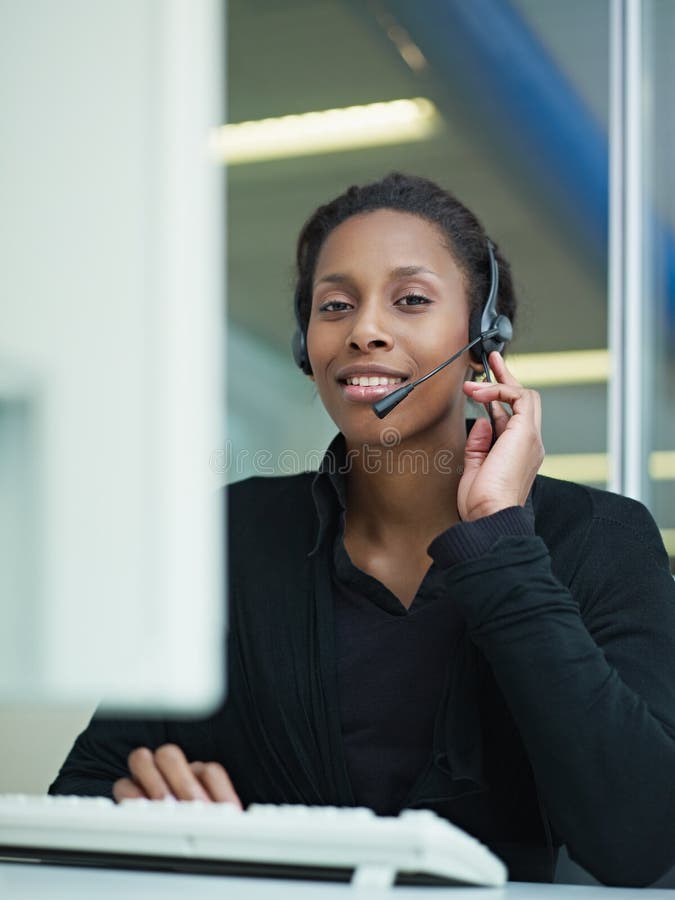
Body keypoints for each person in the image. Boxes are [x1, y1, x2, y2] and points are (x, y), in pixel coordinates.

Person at [50, 173, 675, 886]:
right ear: (303, 343)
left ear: (481, 338)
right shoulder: (226, 534)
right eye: (334, 306)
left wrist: (500, 535)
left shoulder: (602, 538)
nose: (363, 330)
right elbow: (85, 787)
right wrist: (148, 809)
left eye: (410, 300)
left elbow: (643, 841)